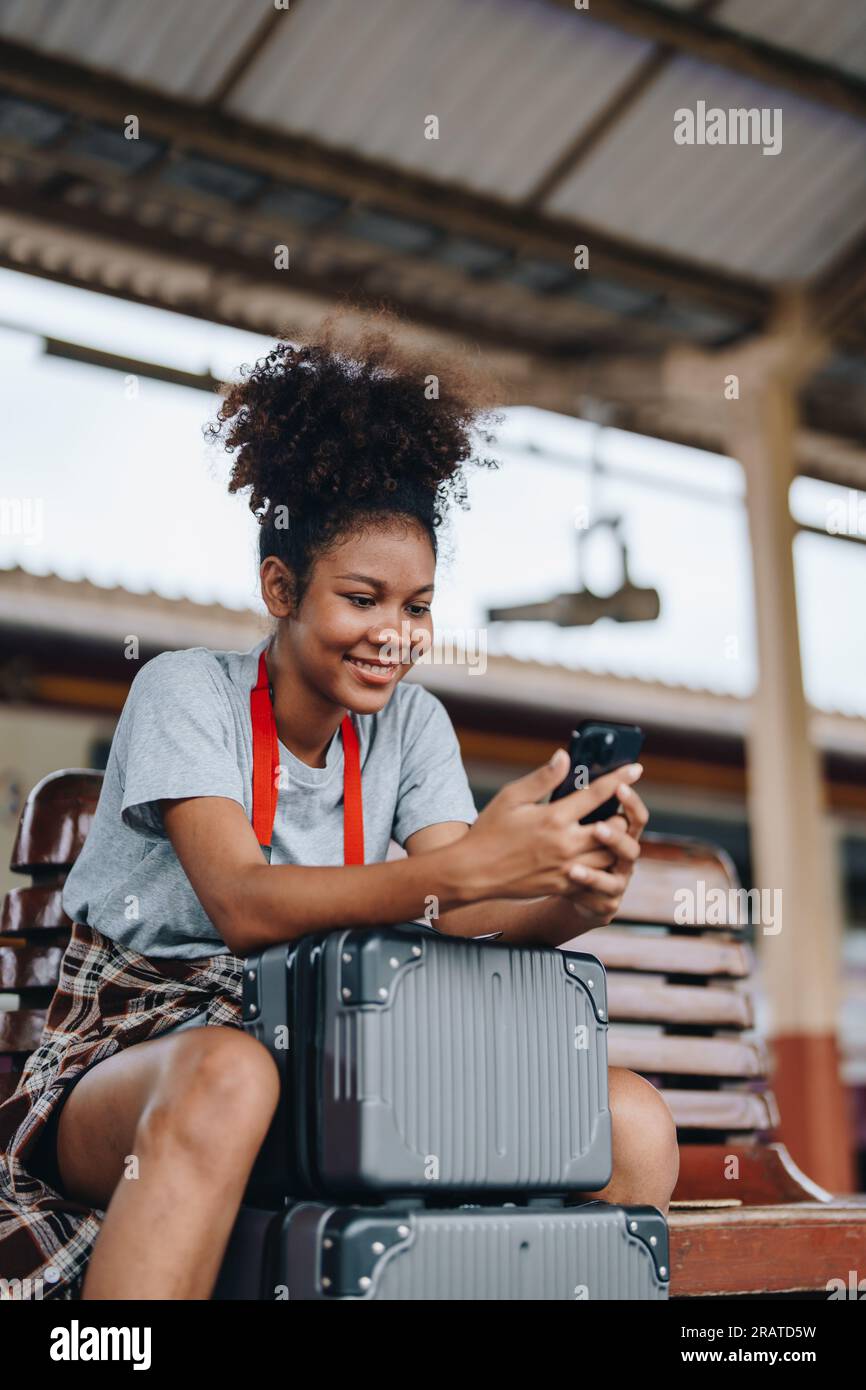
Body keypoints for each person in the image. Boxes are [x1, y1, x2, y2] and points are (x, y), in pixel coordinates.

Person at [0, 308, 677, 1301]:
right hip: (139, 1052)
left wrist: (573, 889)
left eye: (416, 606)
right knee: (229, 1075)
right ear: (281, 586)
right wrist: (465, 865)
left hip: (336, 1051)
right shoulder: (186, 693)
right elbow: (242, 901)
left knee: (632, 1124)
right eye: (361, 599)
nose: (393, 635)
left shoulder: (412, 730)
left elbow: (466, 907)